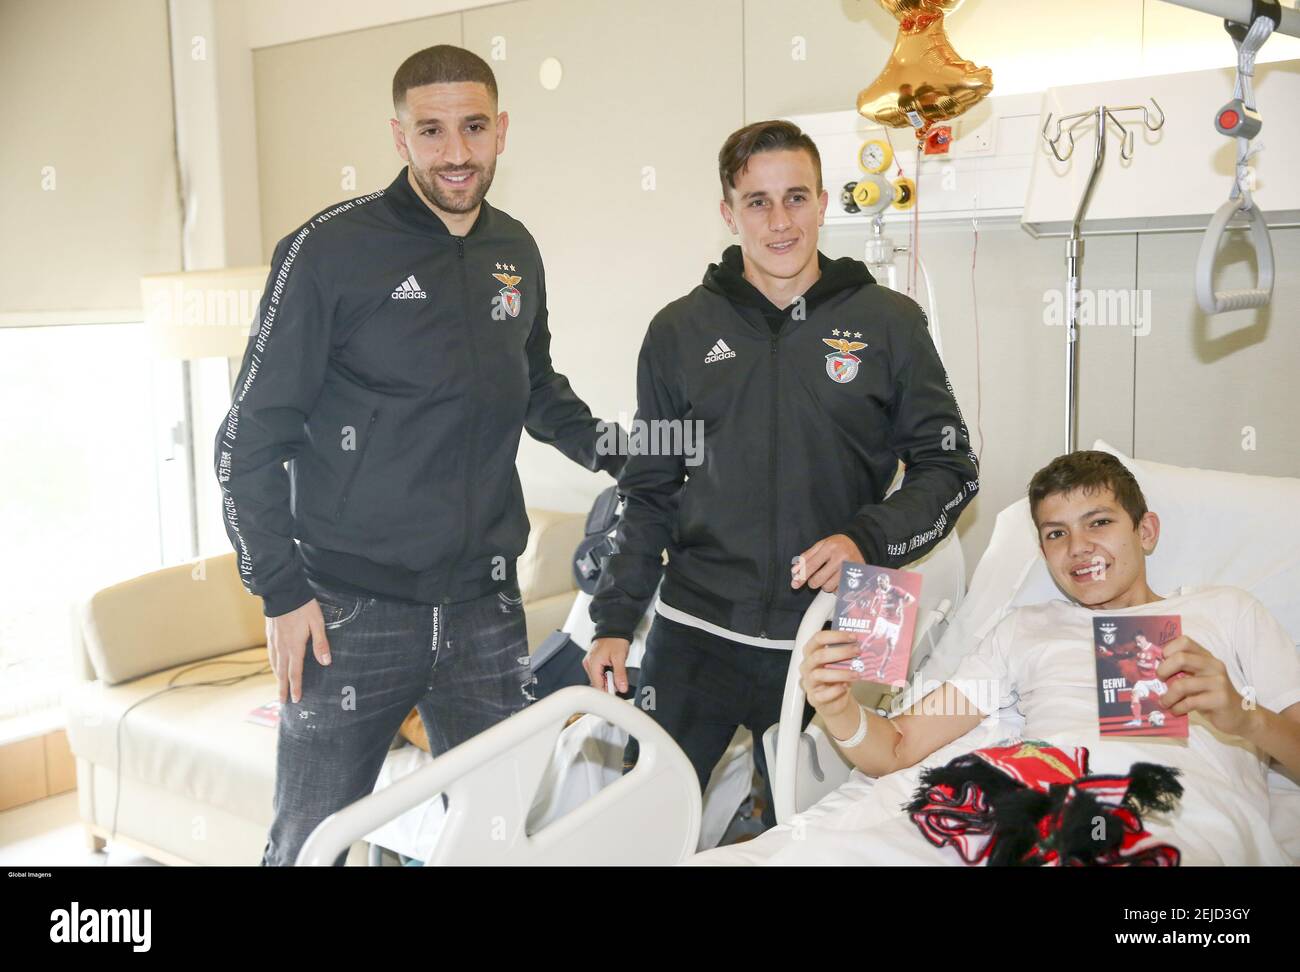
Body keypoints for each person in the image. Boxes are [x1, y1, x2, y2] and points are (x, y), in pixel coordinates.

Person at [214, 45, 622, 866]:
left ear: (501, 130)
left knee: (498, 838)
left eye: (474, 127)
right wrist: (279, 590)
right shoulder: (328, 251)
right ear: (399, 137)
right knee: (310, 845)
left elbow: (536, 386)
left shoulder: (516, 249)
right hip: (349, 615)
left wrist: (628, 453)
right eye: (432, 131)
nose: (457, 152)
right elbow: (248, 437)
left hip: (485, 609)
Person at [585, 119, 979, 830]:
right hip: (696, 626)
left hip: (836, 632)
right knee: (639, 826)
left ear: (824, 203)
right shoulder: (677, 332)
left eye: (795, 198)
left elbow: (951, 468)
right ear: (727, 212)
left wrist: (868, 538)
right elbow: (649, 488)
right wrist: (614, 618)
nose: (779, 222)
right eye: (757, 202)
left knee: (829, 838)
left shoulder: (889, 324)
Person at [788, 450, 1300, 864]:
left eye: (1098, 522)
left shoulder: (1227, 611)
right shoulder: (1025, 629)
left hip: (1172, 816)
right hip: (1038, 813)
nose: (1078, 547)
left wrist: (1245, 717)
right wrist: (840, 710)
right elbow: (898, 748)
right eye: (1057, 533)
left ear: (1145, 532)